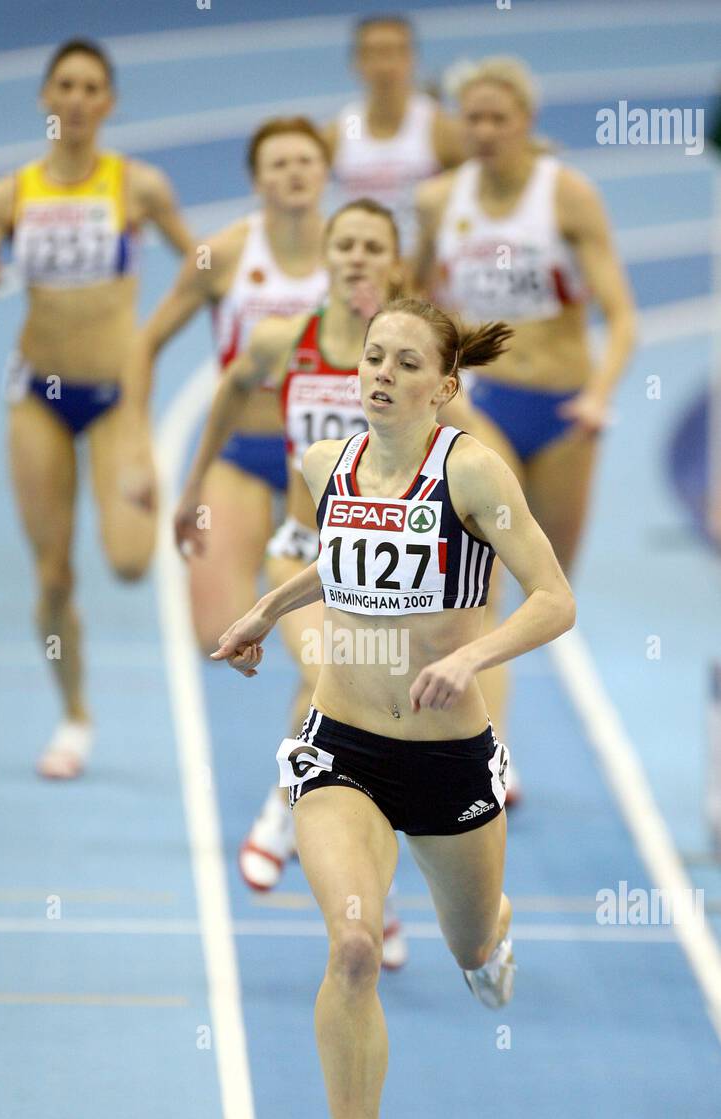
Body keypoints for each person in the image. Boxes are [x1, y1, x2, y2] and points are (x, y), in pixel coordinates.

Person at [210, 298, 576, 1119]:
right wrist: (257, 611)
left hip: (448, 759)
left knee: (468, 946)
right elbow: (323, 568)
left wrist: (476, 657)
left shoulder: (470, 471)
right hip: (345, 751)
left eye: (404, 361)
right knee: (356, 944)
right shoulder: (327, 468)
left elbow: (554, 598)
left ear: (442, 386)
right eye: (371, 356)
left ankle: (490, 931)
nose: (377, 373)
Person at [176, 198, 408, 967]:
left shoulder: (412, 355)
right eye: (345, 244)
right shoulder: (285, 340)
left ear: (392, 261)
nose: (356, 257)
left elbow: (462, 442)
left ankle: (374, 896)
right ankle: (283, 816)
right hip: (305, 549)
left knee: (380, 725)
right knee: (328, 677)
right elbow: (229, 389)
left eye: (372, 246)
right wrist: (193, 484)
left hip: (389, 570)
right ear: (329, 256)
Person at [415, 56, 636, 799]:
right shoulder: (438, 200)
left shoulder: (566, 197)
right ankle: (488, 748)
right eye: (469, 118)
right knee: (488, 579)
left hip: (565, 406)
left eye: (495, 118)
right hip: (484, 403)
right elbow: (414, 303)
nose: (481, 131)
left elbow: (623, 313)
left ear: (525, 123)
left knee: (548, 585)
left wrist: (599, 395)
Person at [0, 37, 193, 778]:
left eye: (90, 88)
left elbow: (201, 268)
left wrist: (154, 344)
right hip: (40, 397)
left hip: (113, 398)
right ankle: (75, 717)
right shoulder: (12, 194)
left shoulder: (137, 186)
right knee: (53, 578)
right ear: (45, 98)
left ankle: (140, 475)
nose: (75, 100)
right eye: (64, 86)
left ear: (107, 104)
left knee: (133, 563)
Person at [121, 117, 330, 650]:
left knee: (333, 647)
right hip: (243, 450)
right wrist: (138, 449)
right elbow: (144, 344)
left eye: (306, 160)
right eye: (279, 164)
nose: (294, 173)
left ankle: (318, 714)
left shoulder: (357, 256)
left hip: (332, 462)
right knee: (216, 636)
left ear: (325, 171)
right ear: (257, 182)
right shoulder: (224, 256)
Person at [324, 15, 465, 258]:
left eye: (393, 52)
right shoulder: (342, 130)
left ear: (411, 58)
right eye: (374, 53)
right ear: (357, 62)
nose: (385, 65)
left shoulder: (437, 126)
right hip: (362, 264)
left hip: (420, 266)